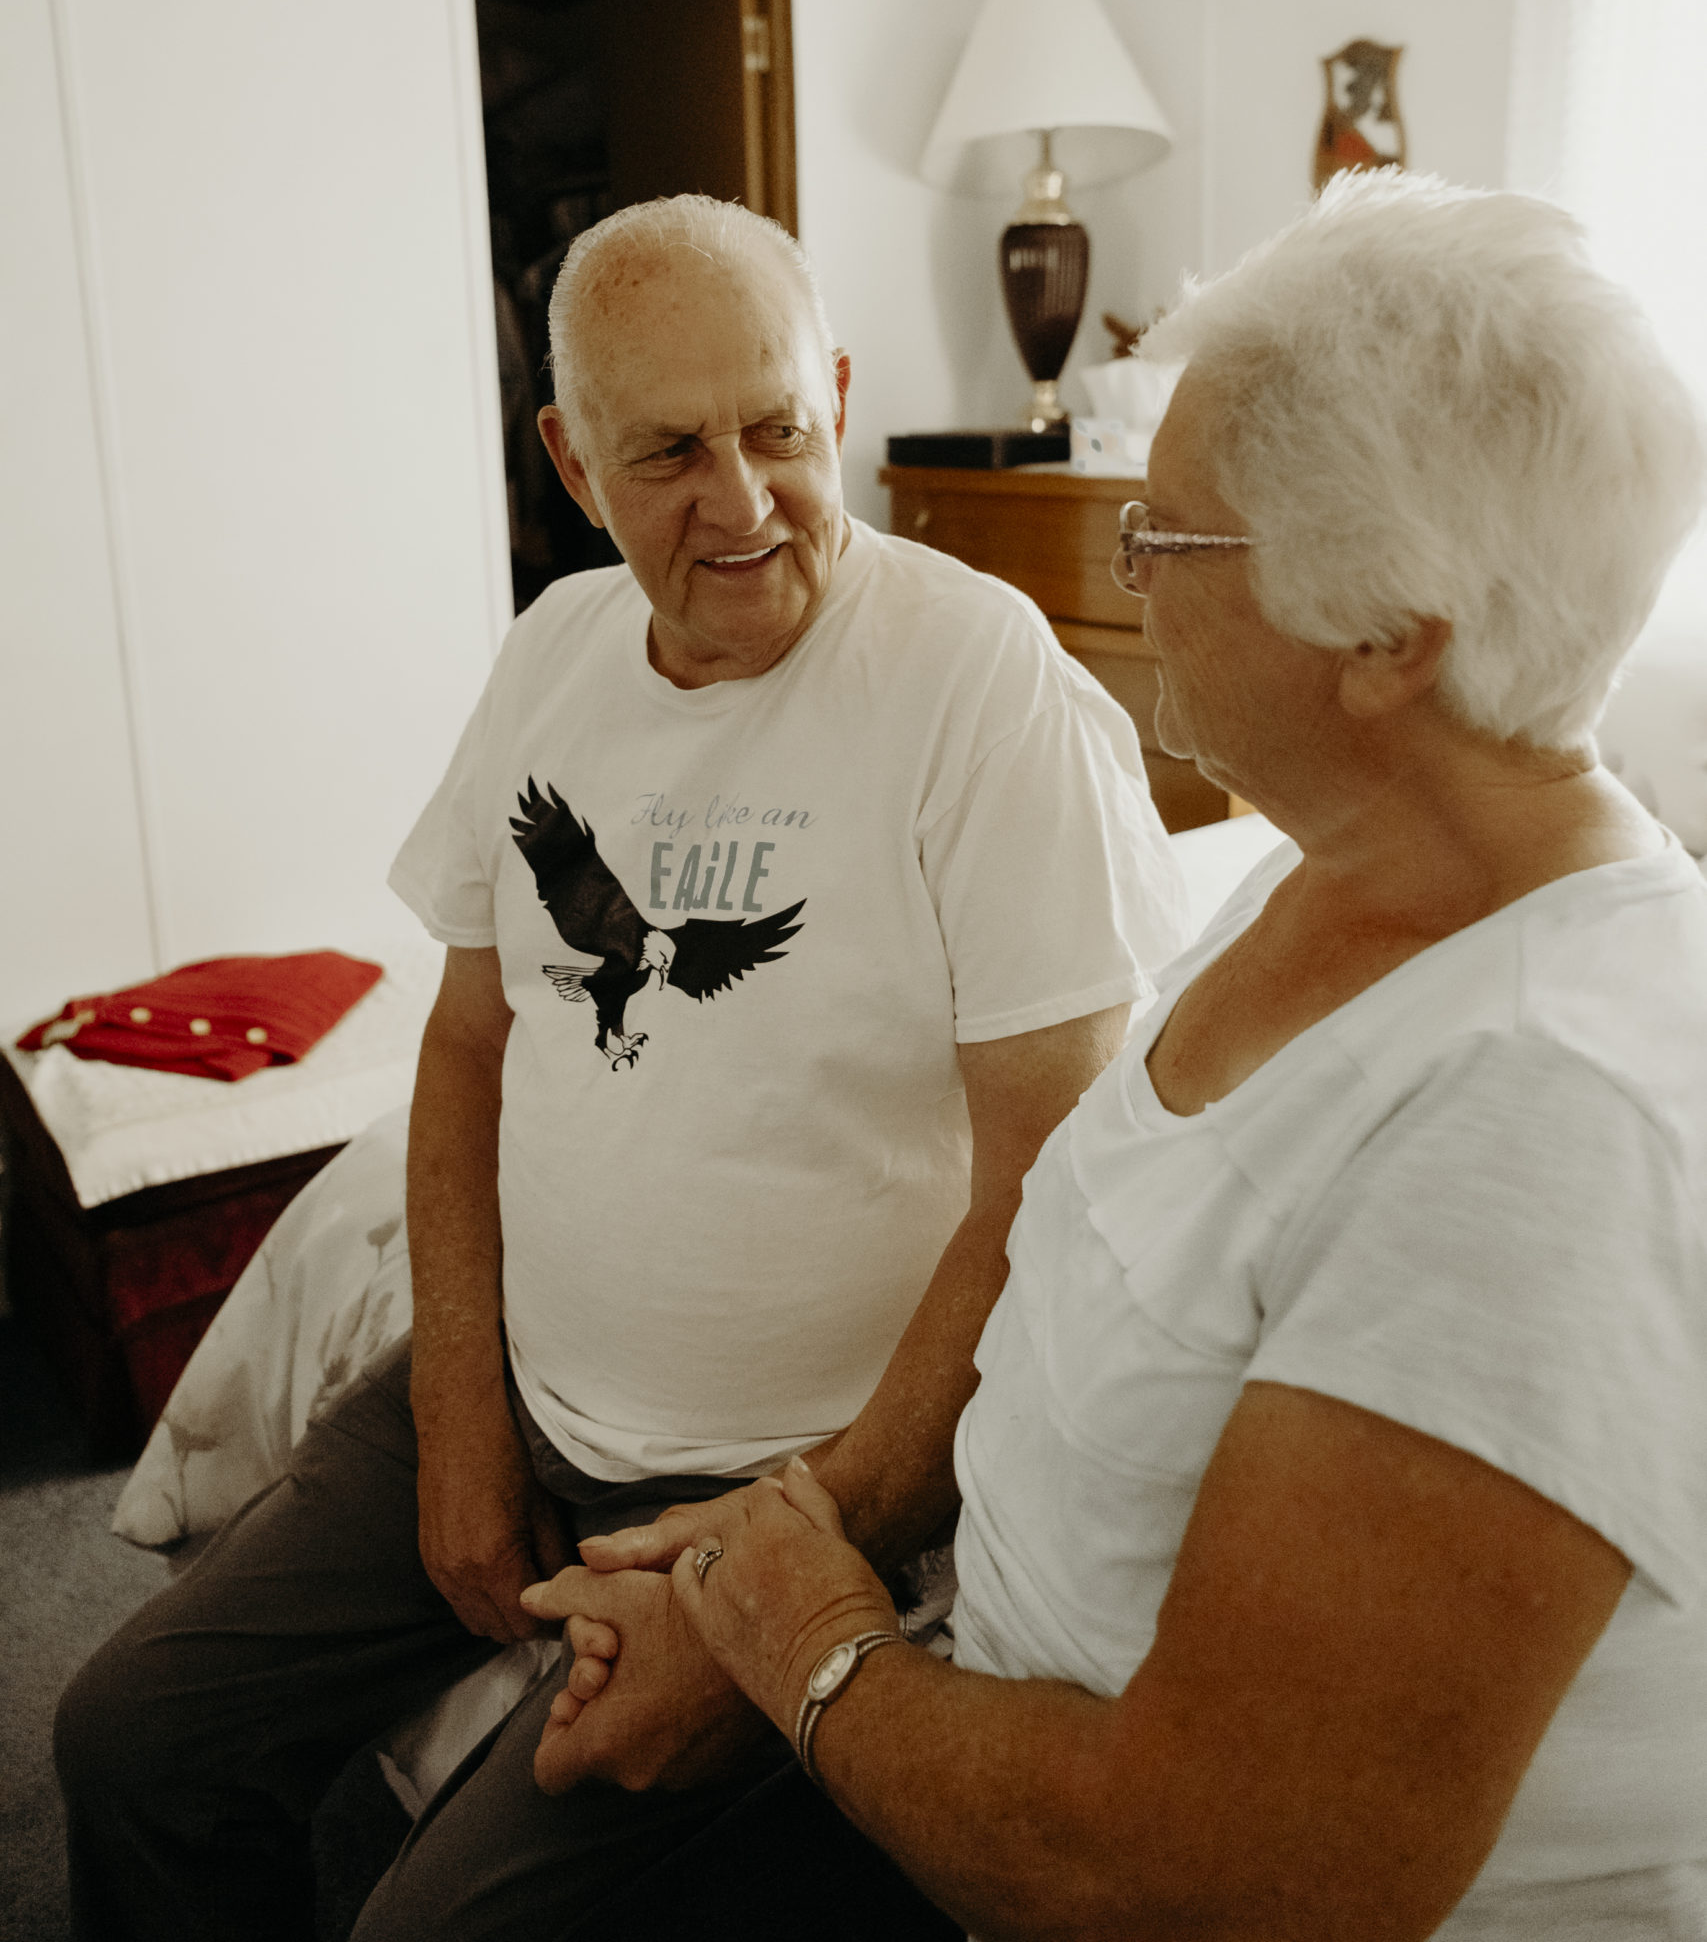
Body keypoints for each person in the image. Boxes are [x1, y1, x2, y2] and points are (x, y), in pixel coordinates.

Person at [534, 171, 1707, 1941]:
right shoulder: (1326, 879)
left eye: (1171, 538)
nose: (1127, 578)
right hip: (951, 1698)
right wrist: (803, 1549)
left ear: (1390, 640)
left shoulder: (1546, 1120)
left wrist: (806, 1647)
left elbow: (1209, 1871)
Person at [55, 196, 1187, 1941]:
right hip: (520, 1387)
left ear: (842, 395)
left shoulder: (980, 684)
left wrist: (791, 1555)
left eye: (778, 431)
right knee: (125, 1744)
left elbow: (1052, 1178)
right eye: (666, 452)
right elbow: (462, 1044)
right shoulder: (556, 653)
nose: (738, 505)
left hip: (797, 1479)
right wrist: (454, 1420)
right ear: (570, 462)